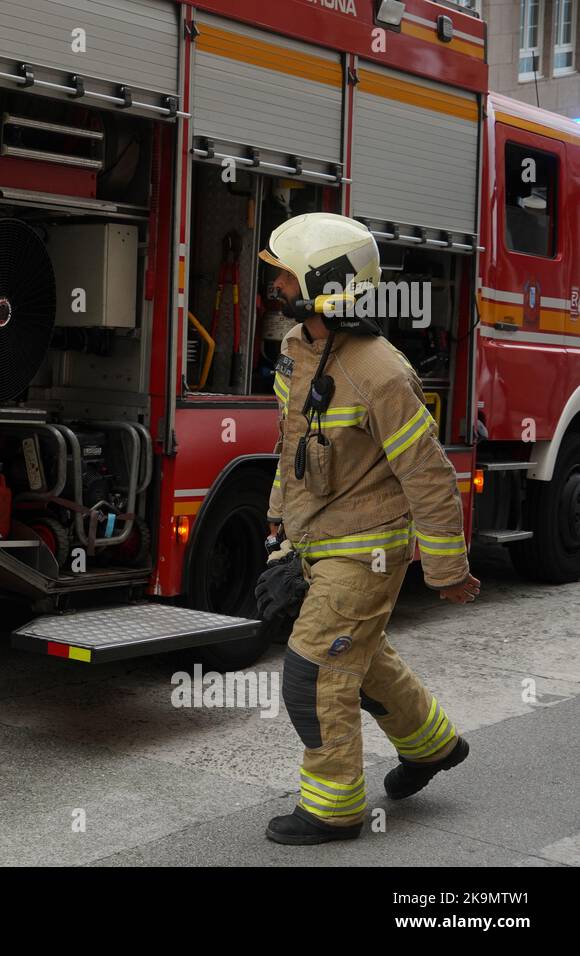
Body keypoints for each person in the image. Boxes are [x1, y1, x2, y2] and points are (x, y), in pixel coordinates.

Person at [258, 213, 480, 846]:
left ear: (321, 284)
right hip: (318, 541)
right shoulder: (299, 350)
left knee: (313, 672)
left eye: (281, 275)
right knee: (360, 653)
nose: (272, 285)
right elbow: (293, 446)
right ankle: (433, 746)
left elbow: (429, 478)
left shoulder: (382, 373)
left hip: (366, 551)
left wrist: (446, 572)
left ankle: (333, 808)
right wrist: (279, 517)